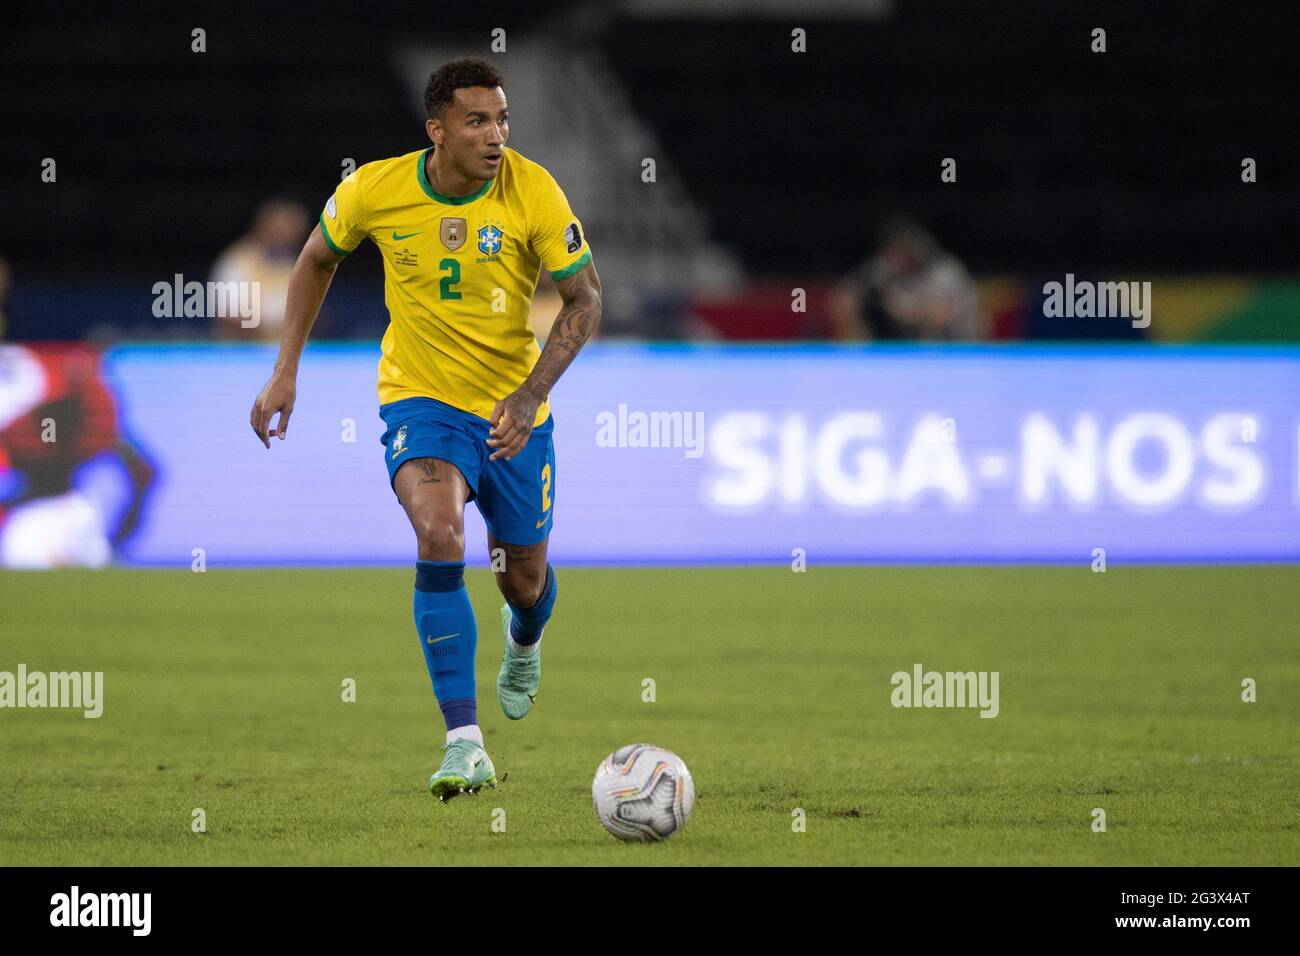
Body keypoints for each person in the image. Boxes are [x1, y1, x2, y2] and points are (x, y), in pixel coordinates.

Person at [248, 58, 602, 801]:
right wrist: (286, 371)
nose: (496, 135)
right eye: (477, 121)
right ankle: (464, 743)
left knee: (523, 579)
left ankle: (525, 638)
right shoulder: (374, 189)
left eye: (503, 120)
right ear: (436, 130)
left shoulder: (532, 189)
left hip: (515, 410)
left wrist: (530, 392)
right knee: (439, 536)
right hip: (421, 403)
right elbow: (316, 259)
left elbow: (584, 301)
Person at [832, 217, 982, 341]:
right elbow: (843, 300)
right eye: (894, 249)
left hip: (957, 348)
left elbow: (941, 317)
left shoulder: (946, 271)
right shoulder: (886, 267)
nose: (898, 257)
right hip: (907, 350)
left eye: (905, 249)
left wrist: (909, 310)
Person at [211, 200, 311, 341]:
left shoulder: (298, 264)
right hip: (241, 353)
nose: (284, 238)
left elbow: (313, 316)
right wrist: (269, 330)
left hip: (286, 353)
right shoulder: (238, 262)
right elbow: (229, 315)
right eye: (279, 231)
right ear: (263, 228)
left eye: (292, 233)